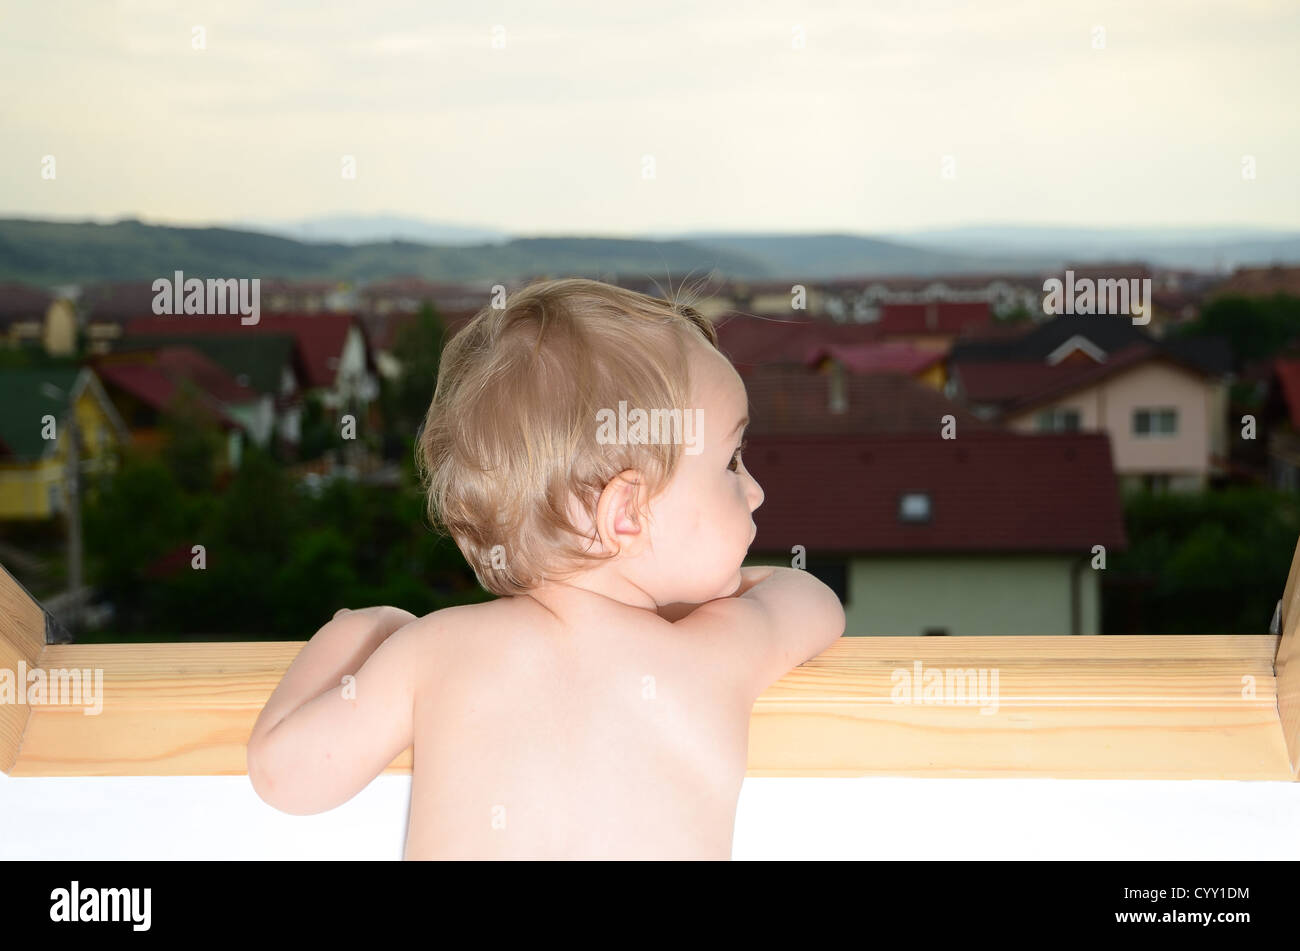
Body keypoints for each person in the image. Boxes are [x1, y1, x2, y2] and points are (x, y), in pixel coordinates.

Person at [246, 278, 845, 859]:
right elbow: (815, 603)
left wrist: (363, 630)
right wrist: (718, 601)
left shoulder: (433, 650)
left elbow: (285, 775)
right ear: (627, 513)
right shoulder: (717, 651)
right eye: (732, 463)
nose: (756, 491)